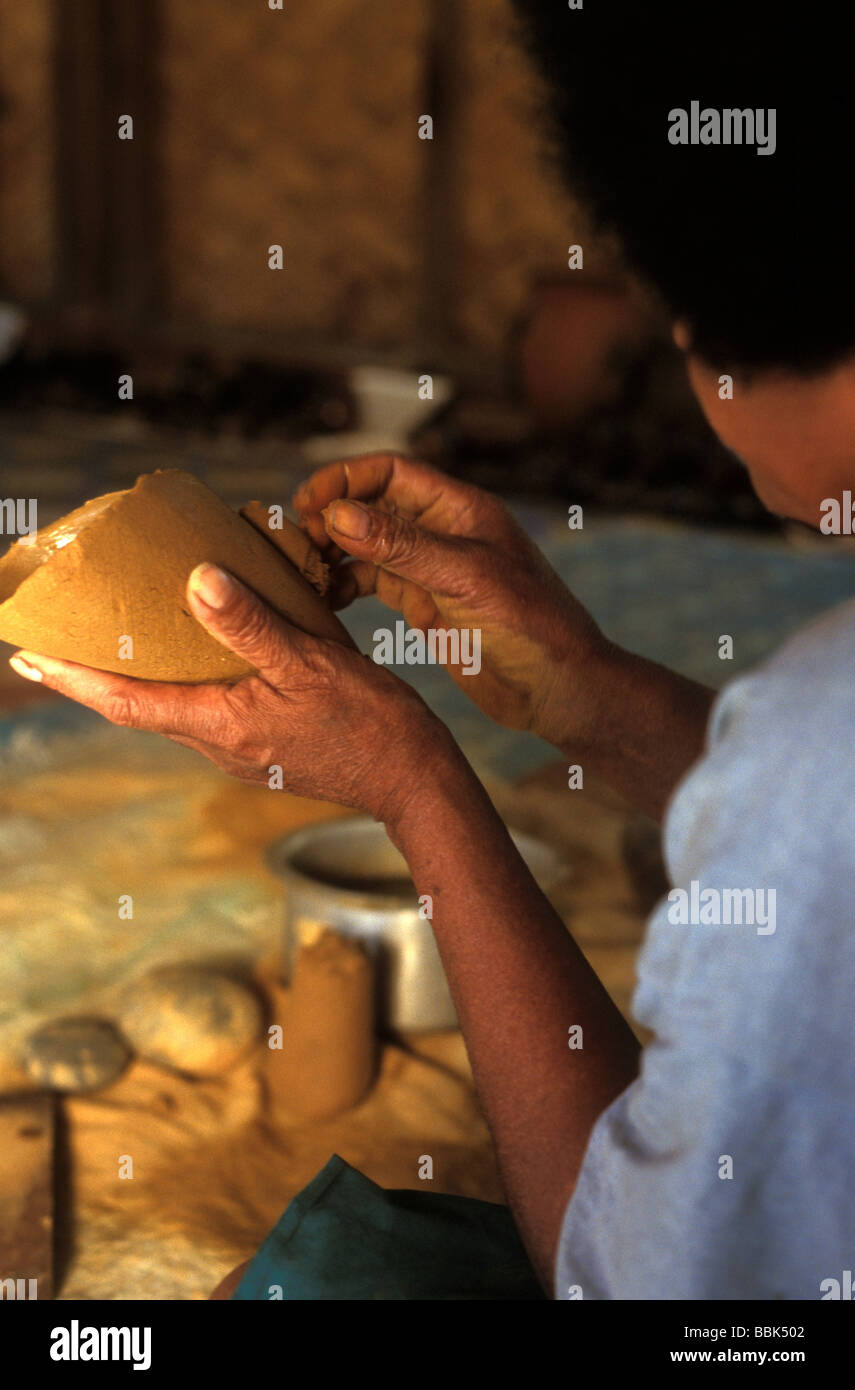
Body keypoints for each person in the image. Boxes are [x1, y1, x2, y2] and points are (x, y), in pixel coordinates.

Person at [10, 1, 854, 1298]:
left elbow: (622, 1271)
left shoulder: (819, 723)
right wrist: (593, 694)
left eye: (688, 311)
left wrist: (418, 779)